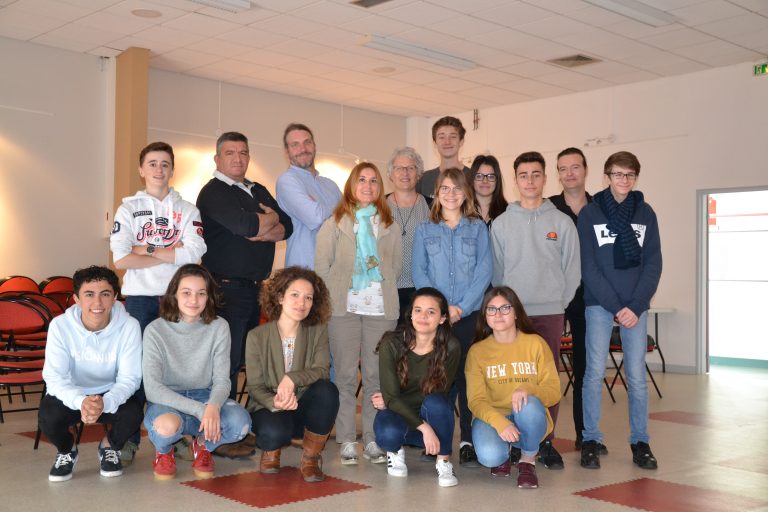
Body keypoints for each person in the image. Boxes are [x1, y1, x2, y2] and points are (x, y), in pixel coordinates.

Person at [110, 140, 207, 464]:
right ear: (141, 170)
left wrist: (146, 249)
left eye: (165, 163)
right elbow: (121, 258)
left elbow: (194, 254)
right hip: (140, 299)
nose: (159, 169)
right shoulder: (128, 209)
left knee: (174, 369)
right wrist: (170, 252)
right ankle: (128, 440)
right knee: (137, 369)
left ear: (172, 169)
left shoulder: (187, 210)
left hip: (178, 300)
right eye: (152, 163)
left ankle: (173, 434)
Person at [490, 151, 580, 469]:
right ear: (515, 180)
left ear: (545, 178)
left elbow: (573, 269)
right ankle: (517, 440)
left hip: (550, 312)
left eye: (536, 174)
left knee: (547, 377)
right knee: (513, 376)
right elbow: (497, 272)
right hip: (513, 315)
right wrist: (506, 310)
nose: (530, 181)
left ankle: (545, 441)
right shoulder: (501, 224)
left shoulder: (561, 222)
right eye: (523, 175)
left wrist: (559, 303)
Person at [577, 151, 662, 470]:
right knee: (594, 373)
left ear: (635, 178)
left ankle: (640, 442)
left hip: (636, 309)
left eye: (630, 175)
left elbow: (653, 263)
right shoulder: (591, 213)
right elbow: (588, 266)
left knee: (637, 377)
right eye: (618, 174)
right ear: (607, 176)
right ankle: (590, 439)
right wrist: (615, 306)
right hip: (599, 305)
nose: (624, 180)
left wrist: (635, 306)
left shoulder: (646, 213)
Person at [196, 131, 293, 408]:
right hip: (225, 290)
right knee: (226, 362)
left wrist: (265, 226)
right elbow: (245, 226)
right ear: (217, 158)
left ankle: (241, 419)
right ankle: (221, 422)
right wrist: (267, 220)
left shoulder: (257, 189)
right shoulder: (213, 192)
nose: (238, 158)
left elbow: (287, 226)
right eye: (230, 153)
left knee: (247, 361)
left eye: (243, 152)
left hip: (255, 290)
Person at [315, 162, 403, 465]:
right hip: (344, 309)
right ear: (351, 186)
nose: (367, 186)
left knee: (376, 377)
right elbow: (321, 268)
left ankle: (372, 440)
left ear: (380, 187)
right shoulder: (335, 223)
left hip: (381, 309)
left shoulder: (389, 225)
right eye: (361, 180)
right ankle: (347, 439)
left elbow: (395, 267)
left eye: (373, 181)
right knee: (346, 376)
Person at [412, 167, 492, 467]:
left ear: (466, 193)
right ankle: (437, 440)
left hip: (469, 316)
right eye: (445, 188)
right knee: (438, 381)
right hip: (437, 319)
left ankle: (468, 440)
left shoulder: (477, 228)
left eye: (457, 188)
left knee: (468, 379)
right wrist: (442, 308)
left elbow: (484, 271)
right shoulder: (425, 229)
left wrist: (462, 307)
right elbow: (419, 272)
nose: (451, 194)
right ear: (436, 193)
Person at [143, 264, 251, 480]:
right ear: (174, 294)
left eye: (201, 293)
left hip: (205, 396)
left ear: (209, 297)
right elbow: (153, 389)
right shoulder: (155, 330)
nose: (194, 300)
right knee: (166, 427)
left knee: (241, 424)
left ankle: (202, 445)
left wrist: (213, 406)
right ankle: (164, 451)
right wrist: (201, 410)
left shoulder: (219, 327)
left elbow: (222, 380)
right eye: (186, 292)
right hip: (169, 401)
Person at [39, 266, 142, 482]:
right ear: (76, 299)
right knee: (48, 417)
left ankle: (109, 446)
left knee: (133, 413)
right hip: (72, 392)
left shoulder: (129, 326)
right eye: (89, 294)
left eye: (105, 294)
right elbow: (55, 377)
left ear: (115, 297)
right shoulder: (60, 326)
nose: (97, 303)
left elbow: (130, 378)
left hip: (110, 392)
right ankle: (67, 450)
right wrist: (81, 401)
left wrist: (105, 402)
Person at [245, 266, 339, 482]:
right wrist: (275, 402)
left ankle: (311, 457)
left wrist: (291, 378)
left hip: (304, 405)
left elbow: (322, 369)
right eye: (295, 295)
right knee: (273, 434)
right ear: (280, 297)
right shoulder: (256, 336)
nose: (301, 303)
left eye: (308, 298)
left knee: (328, 390)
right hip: (270, 405)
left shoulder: (318, 330)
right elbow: (255, 387)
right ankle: (271, 451)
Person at [467, 287, 561, 489]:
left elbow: (554, 392)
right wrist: (500, 423)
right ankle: (504, 454)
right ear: (484, 315)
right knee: (490, 456)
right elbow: (475, 401)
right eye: (491, 309)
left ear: (516, 312)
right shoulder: (477, 351)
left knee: (528, 404)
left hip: (528, 416)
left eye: (505, 308)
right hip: (493, 417)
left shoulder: (536, 343)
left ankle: (527, 459)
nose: (498, 314)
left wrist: (528, 388)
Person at [372, 287, 461, 487]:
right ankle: (395, 452)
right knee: (388, 435)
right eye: (418, 310)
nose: (423, 316)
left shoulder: (451, 346)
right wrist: (424, 427)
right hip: (399, 414)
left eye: (431, 311)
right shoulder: (391, 343)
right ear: (410, 314)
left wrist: (390, 399)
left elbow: (440, 393)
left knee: (438, 403)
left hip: (425, 410)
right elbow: (391, 398)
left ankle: (443, 461)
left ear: (442, 318)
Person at [548, 147, 603, 454]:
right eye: (563, 168)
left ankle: (586, 435)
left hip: (590, 298)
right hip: (553, 297)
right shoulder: (548, 208)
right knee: (545, 368)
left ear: (585, 170)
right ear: (557, 173)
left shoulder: (600, 208)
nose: (569, 173)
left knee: (585, 368)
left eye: (575, 167)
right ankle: (541, 438)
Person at [276, 123, 341, 269]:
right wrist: (339, 208)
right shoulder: (287, 180)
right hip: (303, 271)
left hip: (334, 272)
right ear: (286, 152)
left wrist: (321, 208)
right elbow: (316, 217)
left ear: (315, 146)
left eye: (307, 142)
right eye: (295, 145)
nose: (303, 149)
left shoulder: (330, 185)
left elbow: (349, 221)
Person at [385, 147, 431, 324]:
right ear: (391, 174)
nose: (405, 173)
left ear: (418, 173)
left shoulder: (432, 207)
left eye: (410, 168)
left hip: (421, 290)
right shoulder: (378, 206)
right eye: (399, 168)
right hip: (387, 290)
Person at [415, 116, 473, 199]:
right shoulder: (424, 179)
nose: (447, 142)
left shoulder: (472, 178)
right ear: (435, 143)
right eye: (442, 137)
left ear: (461, 141)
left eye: (453, 137)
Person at [470, 154, 508, 227]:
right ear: (472, 179)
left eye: (491, 177)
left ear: (497, 181)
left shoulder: (507, 212)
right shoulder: (463, 211)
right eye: (479, 176)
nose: (485, 181)